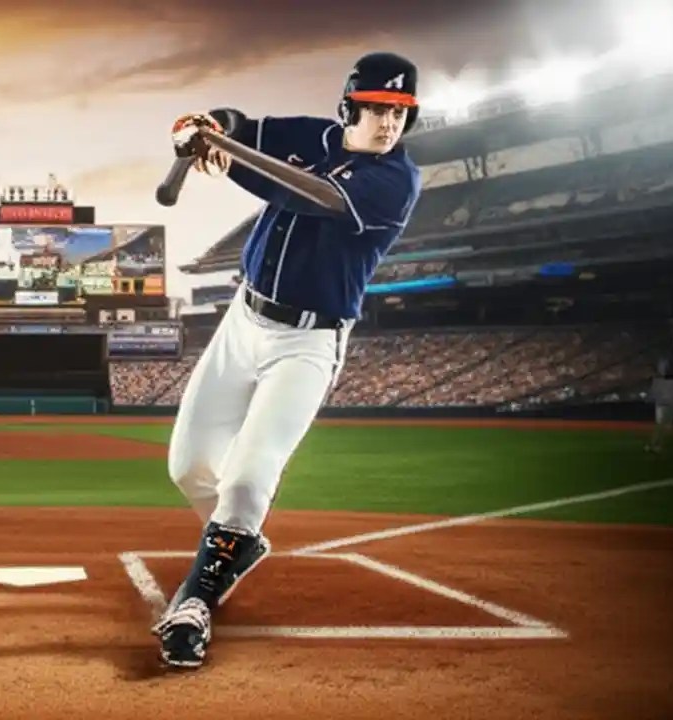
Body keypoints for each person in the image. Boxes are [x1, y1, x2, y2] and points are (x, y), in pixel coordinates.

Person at [153, 52, 423, 669]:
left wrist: (230, 156)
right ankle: (239, 539)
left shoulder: (397, 180)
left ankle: (195, 600)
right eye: (378, 108)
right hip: (242, 320)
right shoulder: (313, 135)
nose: (388, 123)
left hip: (308, 341)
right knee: (188, 465)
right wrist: (207, 129)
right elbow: (239, 122)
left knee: (248, 476)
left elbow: (315, 196)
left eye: (400, 112)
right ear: (351, 105)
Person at [646, 317, 673, 454]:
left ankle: (656, 443)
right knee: (663, 421)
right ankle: (655, 444)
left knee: (665, 421)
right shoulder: (669, 358)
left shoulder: (669, 358)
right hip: (668, 385)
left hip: (671, 385)